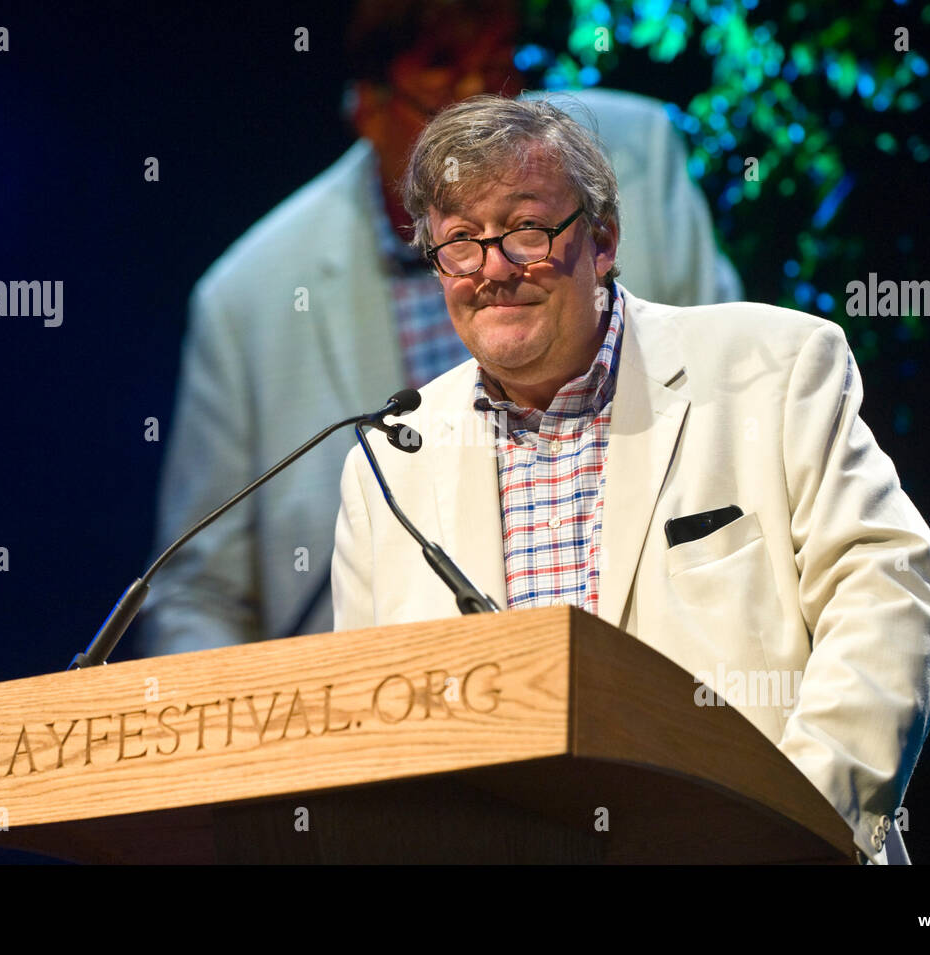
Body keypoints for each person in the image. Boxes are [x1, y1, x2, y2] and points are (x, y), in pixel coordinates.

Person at [331, 95, 930, 865]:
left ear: (603, 240)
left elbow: (890, 595)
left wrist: (799, 827)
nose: (492, 269)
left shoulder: (773, 367)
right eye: (460, 241)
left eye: (525, 230)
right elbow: (366, 741)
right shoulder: (388, 466)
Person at [138, 0, 741, 657]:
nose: (487, 128)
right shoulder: (250, 297)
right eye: (445, 91)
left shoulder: (636, 161)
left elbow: (729, 418)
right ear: (366, 108)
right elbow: (198, 596)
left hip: (651, 677)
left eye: (497, 69)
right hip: (376, 732)